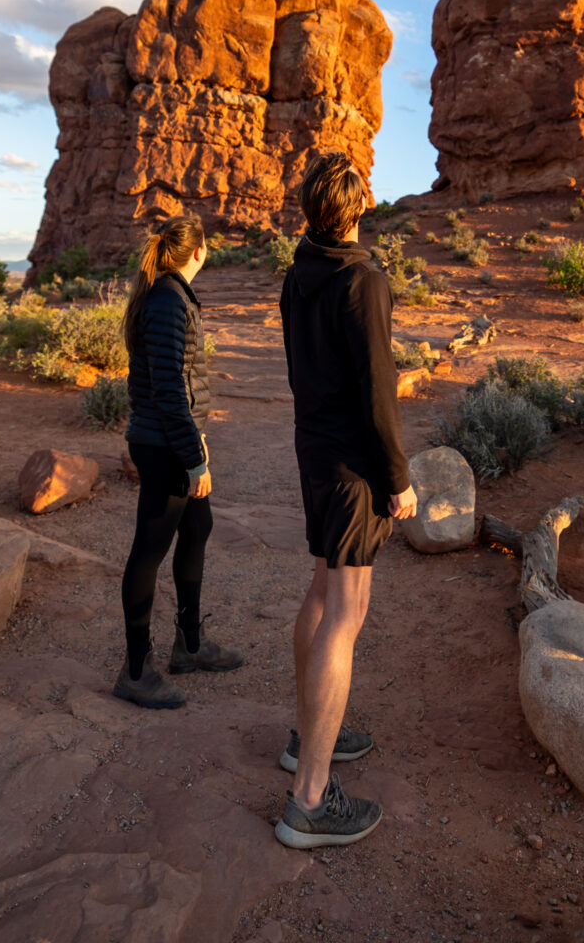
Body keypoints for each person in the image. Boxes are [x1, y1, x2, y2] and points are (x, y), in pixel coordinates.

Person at [274, 152, 417, 850]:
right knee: (346, 611)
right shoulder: (362, 279)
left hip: (313, 451)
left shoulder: (300, 271)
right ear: (358, 206)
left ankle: (307, 739)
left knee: (321, 591)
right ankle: (308, 799)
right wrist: (398, 478)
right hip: (354, 468)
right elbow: (378, 392)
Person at [114, 214, 244, 708]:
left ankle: (189, 644)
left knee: (197, 528)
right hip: (164, 444)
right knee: (150, 547)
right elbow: (168, 390)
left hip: (172, 437)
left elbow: (176, 386)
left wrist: (197, 441)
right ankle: (134, 670)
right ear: (198, 253)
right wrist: (194, 460)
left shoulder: (167, 295)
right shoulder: (169, 299)